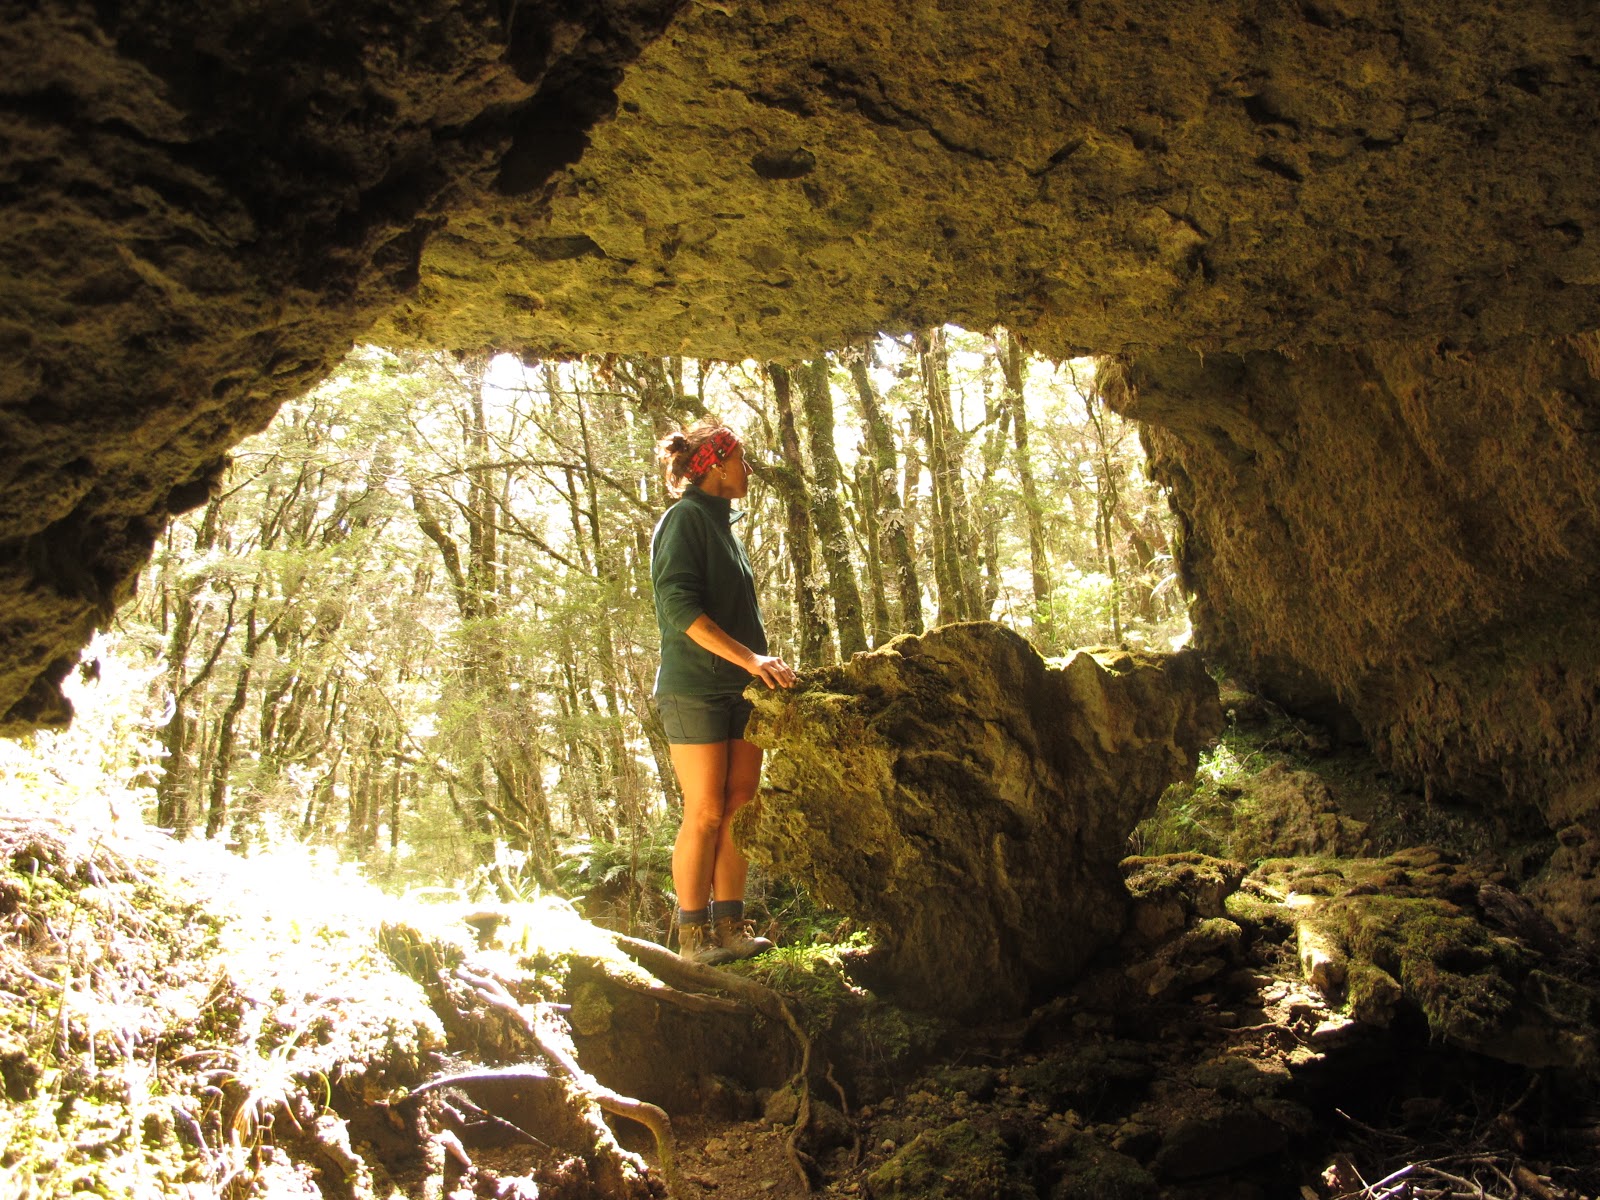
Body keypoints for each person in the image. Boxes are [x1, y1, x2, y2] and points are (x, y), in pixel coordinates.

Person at [650, 422, 796, 964]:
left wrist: (753, 670)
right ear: (715, 466)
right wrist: (751, 659)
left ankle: (731, 926)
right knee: (706, 809)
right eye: (741, 460)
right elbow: (678, 606)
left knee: (740, 804)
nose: (748, 470)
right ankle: (692, 939)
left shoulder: (721, 526)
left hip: (742, 690)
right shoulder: (685, 519)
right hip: (695, 689)